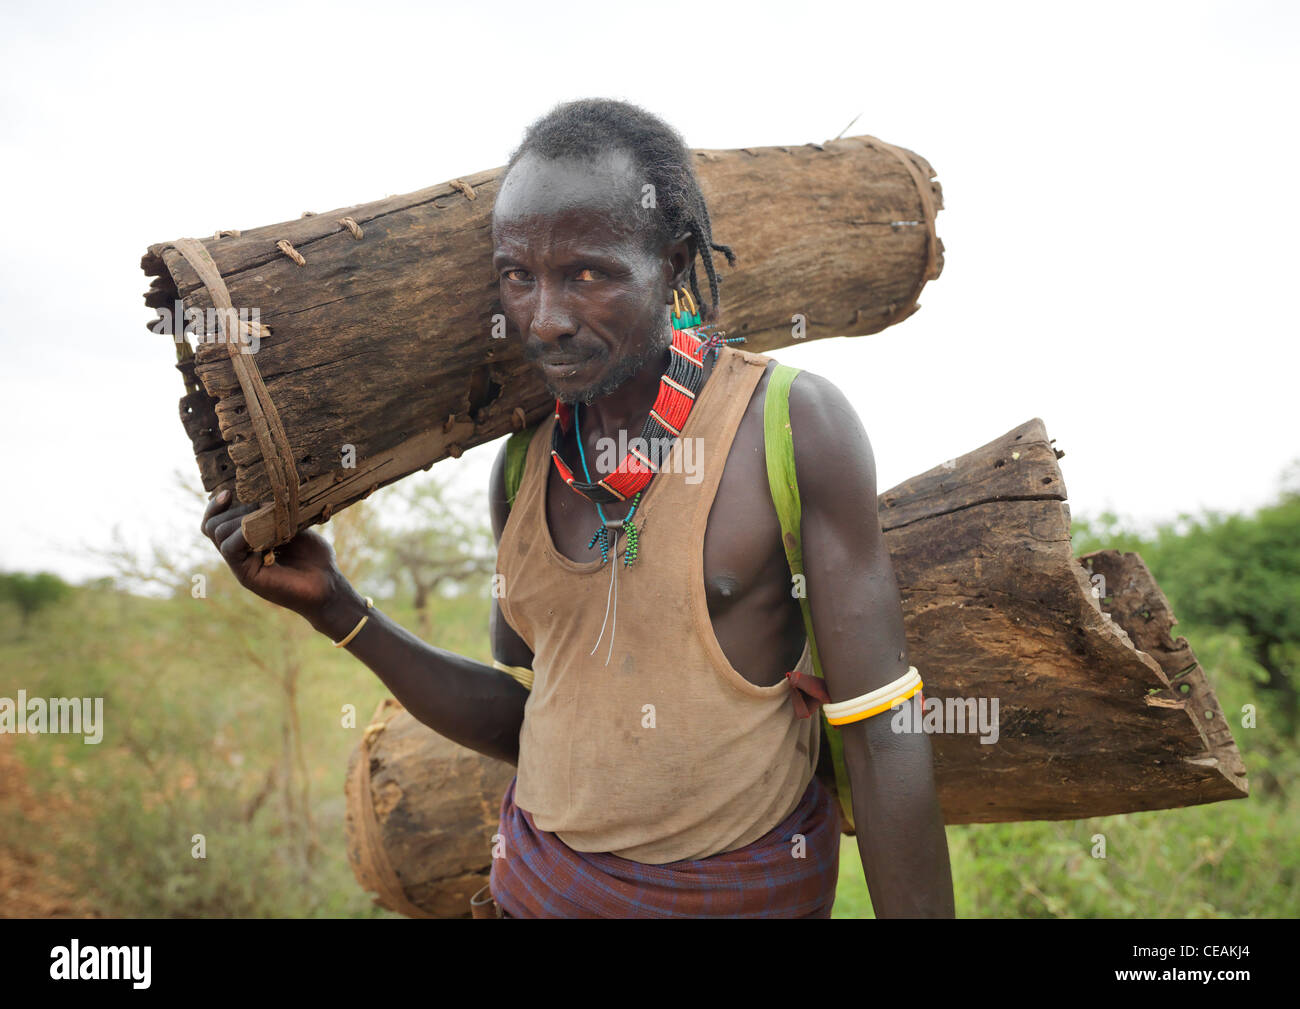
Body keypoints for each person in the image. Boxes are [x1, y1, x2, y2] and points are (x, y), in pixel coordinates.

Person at [201, 98, 954, 919]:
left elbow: (882, 733)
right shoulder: (523, 467)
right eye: (519, 276)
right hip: (540, 893)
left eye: (588, 273)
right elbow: (532, 718)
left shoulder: (790, 425)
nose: (546, 318)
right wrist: (339, 610)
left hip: (740, 897)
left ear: (671, 263)